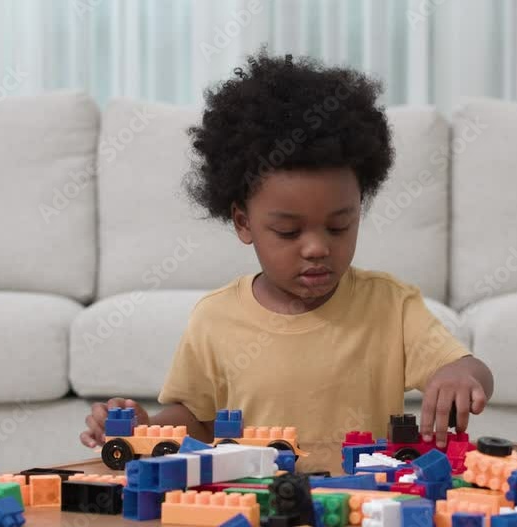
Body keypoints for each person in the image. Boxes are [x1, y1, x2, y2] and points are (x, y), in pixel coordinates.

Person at [80, 48, 493, 461]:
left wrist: (461, 374)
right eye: (288, 232)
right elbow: (197, 420)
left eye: (339, 226)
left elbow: (471, 370)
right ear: (243, 222)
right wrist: (146, 428)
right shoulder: (215, 318)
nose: (317, 248)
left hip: (365, 494)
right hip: (252, 493)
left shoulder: (391, 306)